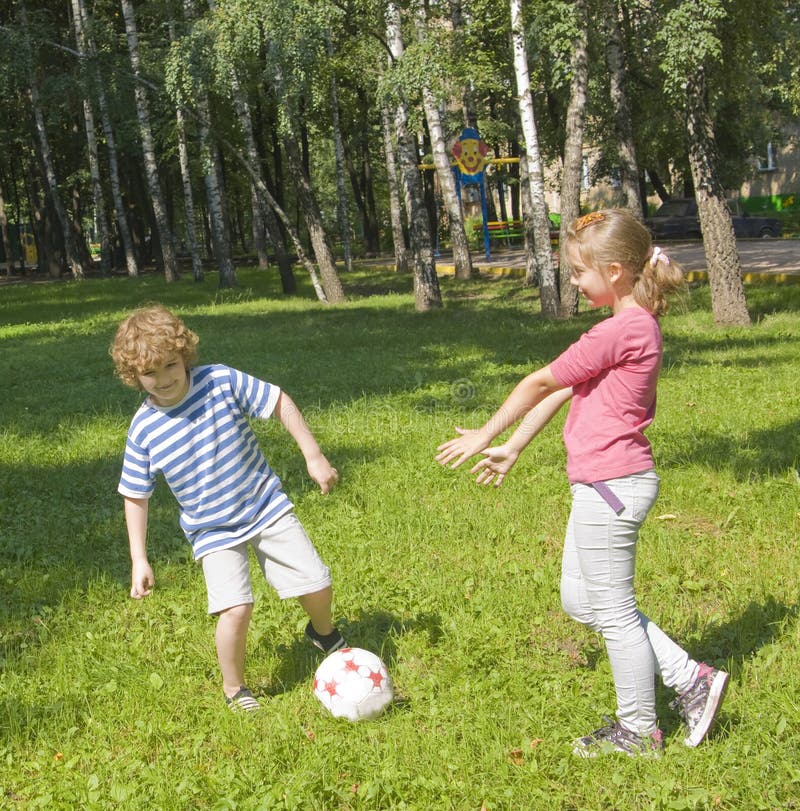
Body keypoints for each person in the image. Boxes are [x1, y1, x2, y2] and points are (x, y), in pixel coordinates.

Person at [435, 209, 728, 757]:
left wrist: (482, 432)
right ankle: (691, 676)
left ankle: (639, 730)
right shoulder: (623, 327)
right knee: (580, 600)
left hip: (613, 486)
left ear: (614, 271)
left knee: (614, 612)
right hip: (602, 484)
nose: (573, 281)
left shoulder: (624, 328)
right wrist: (514, 446)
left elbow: (539, 379)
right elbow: (562, 390)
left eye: (577, 272)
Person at [111, 304, 346, 713]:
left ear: (185, 355)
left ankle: (323, 633)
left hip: (264, 504)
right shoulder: (143, 429)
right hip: (212, 529)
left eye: (172, 365)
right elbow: (135, 494)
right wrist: (139, 557)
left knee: (317, 582)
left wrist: (313, 455)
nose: (165, 379)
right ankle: (235, 689)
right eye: (151, 373)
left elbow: (279, 401)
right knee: (235, 609)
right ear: (134, 377)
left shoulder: (219, 380)